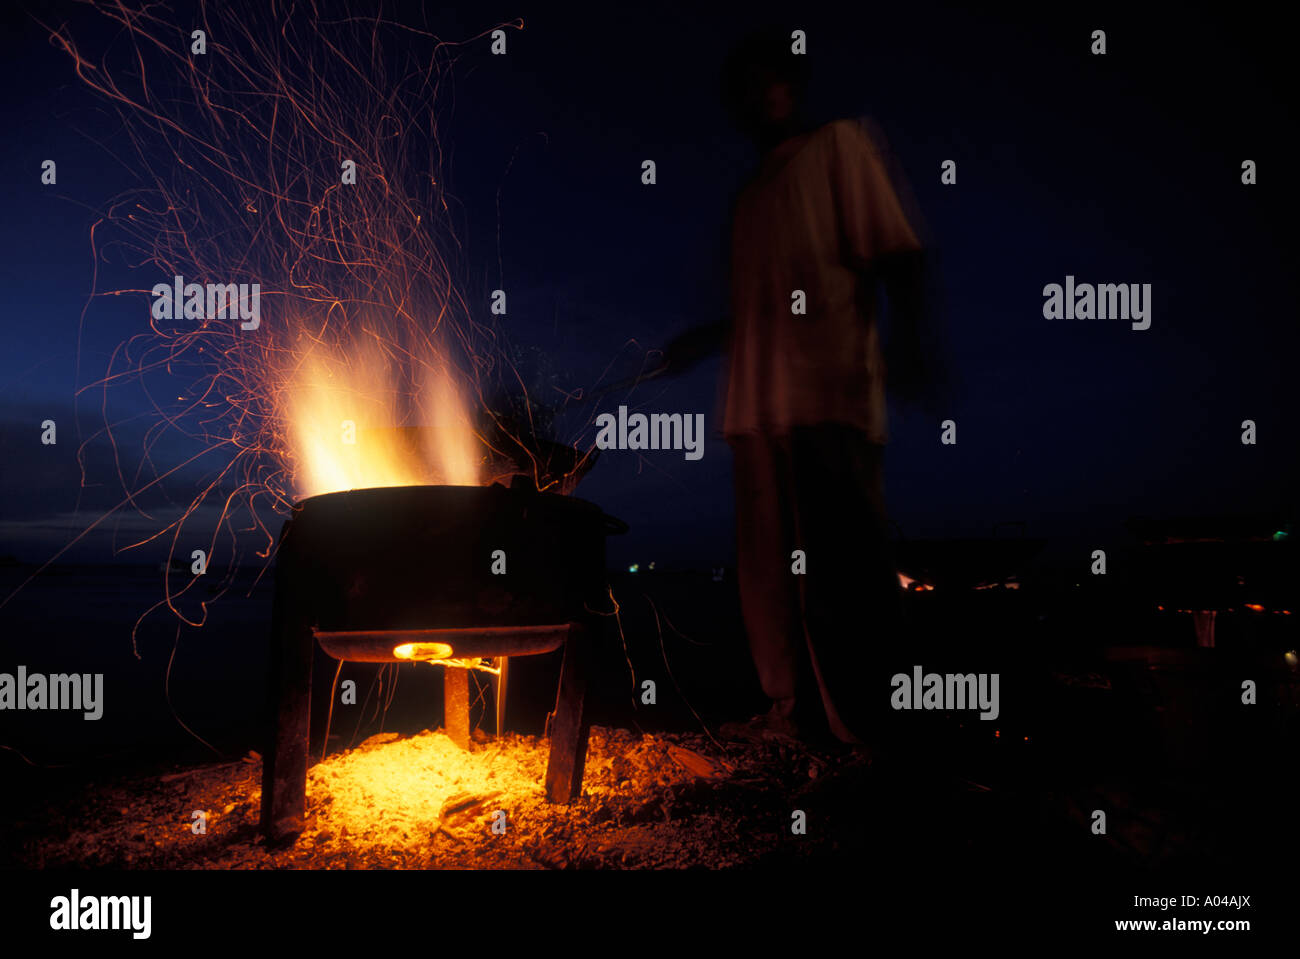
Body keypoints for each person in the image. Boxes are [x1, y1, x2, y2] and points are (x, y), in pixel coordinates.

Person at [666, 28, 942, 749]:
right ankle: (795, 718)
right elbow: (766, 301)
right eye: (747, 87)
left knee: (843, 571)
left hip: (827, 397)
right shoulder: (751, 197)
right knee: (769, 581)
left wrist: (911, 340)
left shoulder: (841, 147)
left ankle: (872, 732)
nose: (764, 94)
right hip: (755, 410)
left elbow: (898, 252)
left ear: (795, 85)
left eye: (774, 78)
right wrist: (711, 338)